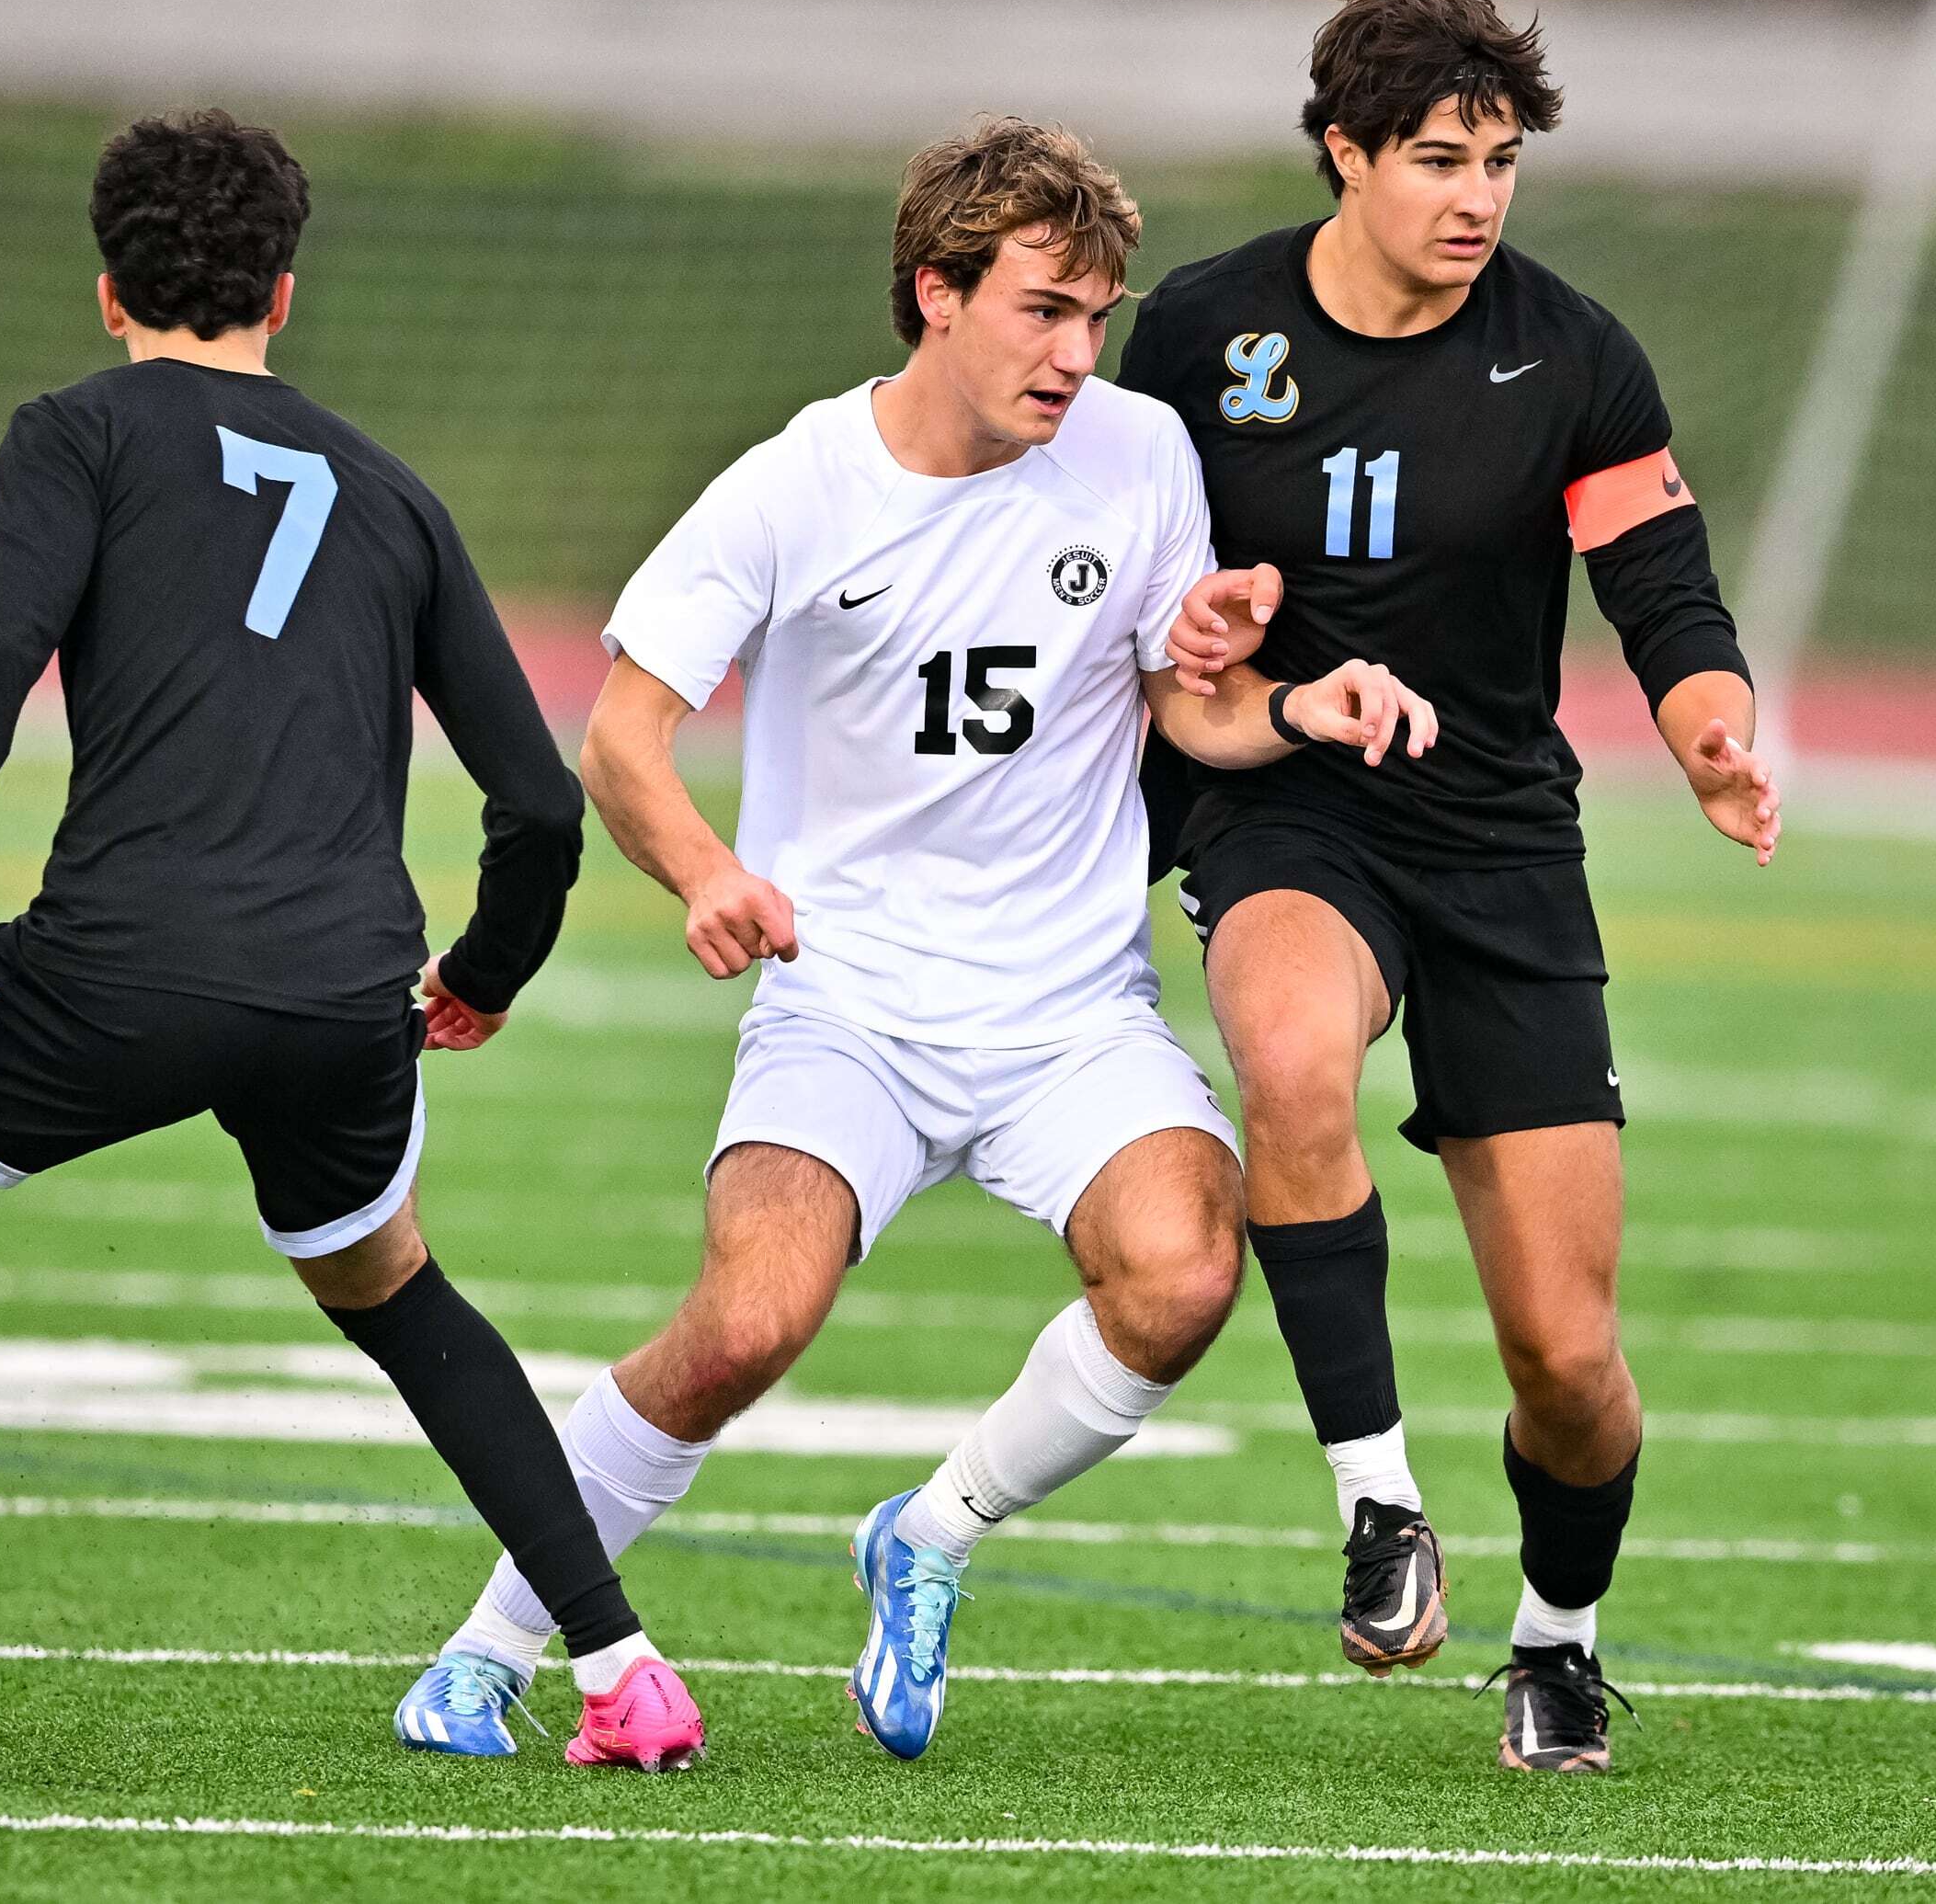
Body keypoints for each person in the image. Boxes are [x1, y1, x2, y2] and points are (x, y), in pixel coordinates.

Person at [0, 111, 702, 1773]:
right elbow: (538, 803)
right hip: (347, 993)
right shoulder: (397, 496)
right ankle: (622, 1668)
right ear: (282, 293)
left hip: (118, 972)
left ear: (106, 290)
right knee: (396, 1292)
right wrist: (480, 975)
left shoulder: (75, 433)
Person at [407, 118, 1439, 1765]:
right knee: (748, 1323)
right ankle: (492, 1644)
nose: (1075, 354)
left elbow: (1188, 702)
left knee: (1184, 1270)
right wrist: (705, 873)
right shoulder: (795, 483)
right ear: (935, 294)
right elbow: (622, 734)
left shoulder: (1138, 454)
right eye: (1041, 310)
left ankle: (932, 1530)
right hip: (848, 1006)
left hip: (1068, 1012)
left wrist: (1293, 705)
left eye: (1094, 315)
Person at [1123, 0, 1776, 1774]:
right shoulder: (1200, 333)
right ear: (1345, 153)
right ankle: (1377, 1503)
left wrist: (1712, 732)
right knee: (1289, 1058)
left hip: (1498, 839)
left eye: (1499, 162)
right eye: (1437, 158)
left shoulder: (1570, 354)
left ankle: (1558, 1637)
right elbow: (1109, 566)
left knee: (1567, 1363)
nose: (1476, 196)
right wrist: (1196, 630)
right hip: (1291, 801)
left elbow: (1663, 589)